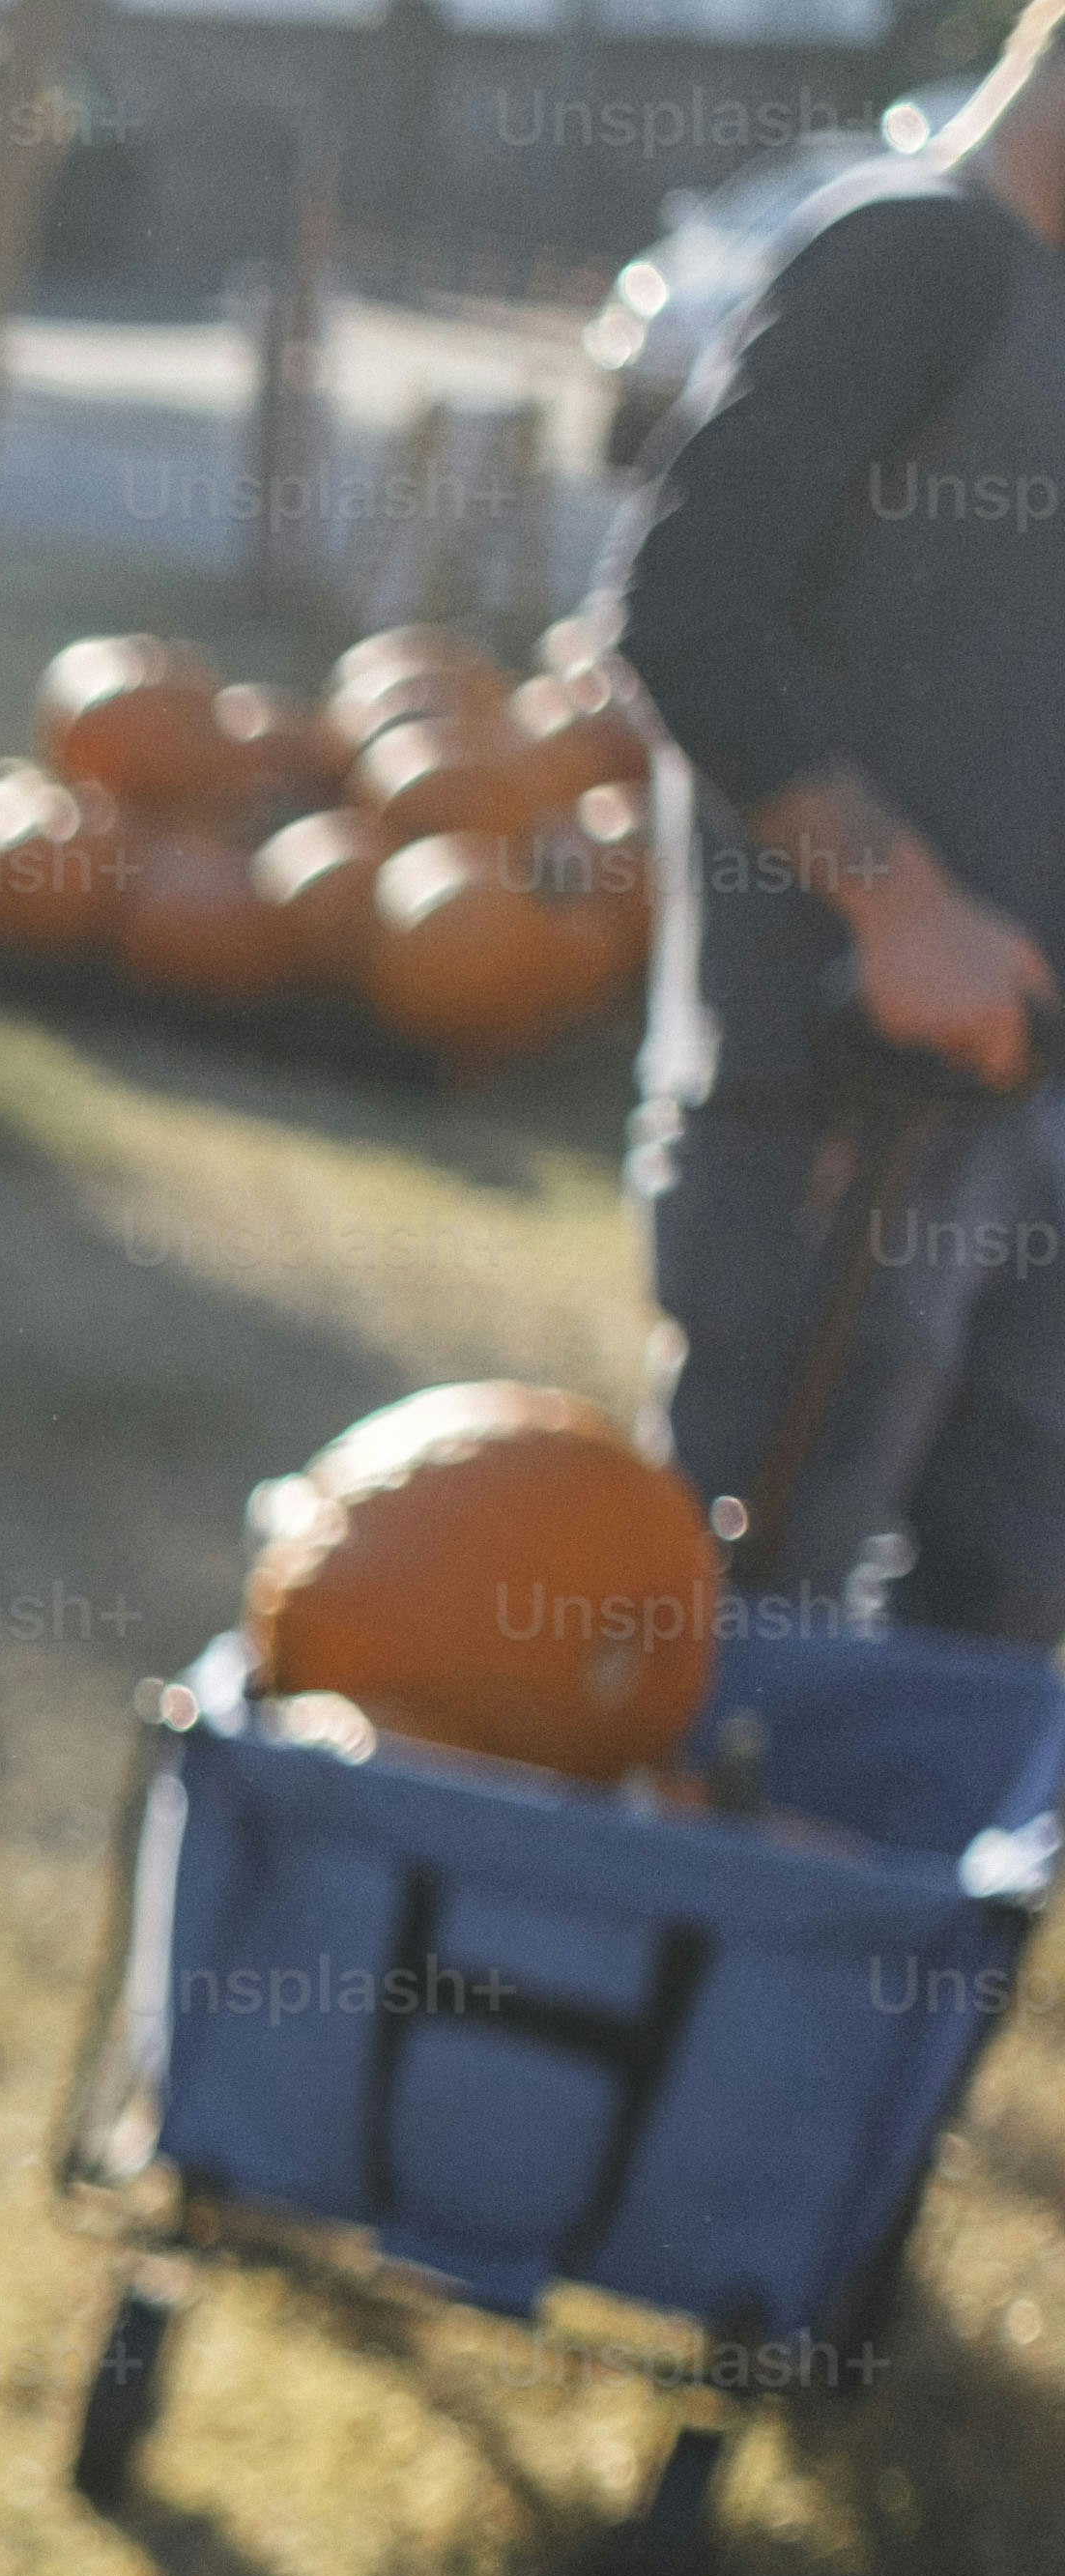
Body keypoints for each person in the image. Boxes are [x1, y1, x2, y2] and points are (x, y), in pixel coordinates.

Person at [603, 0, 1065, 1622]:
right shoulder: (910, 257)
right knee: (756, 1600)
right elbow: (682, 598)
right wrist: (897, 901)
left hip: (1007, 1112)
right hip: (828, 1105)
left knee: (993, 1593)